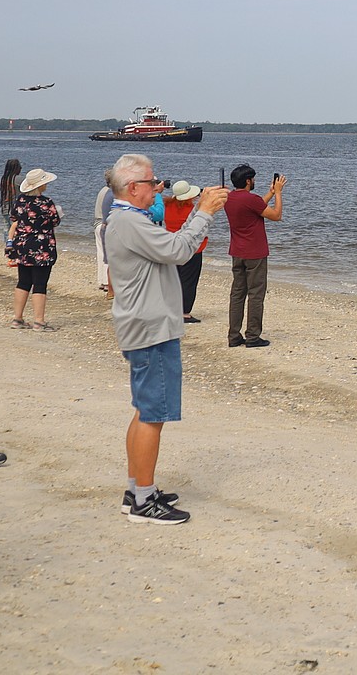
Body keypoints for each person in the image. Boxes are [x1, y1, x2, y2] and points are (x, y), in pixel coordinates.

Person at [105, 153, 226, 524]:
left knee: (145, 410)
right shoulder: (128, 221)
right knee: (153, 414)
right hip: (151, 328)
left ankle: (137, 489)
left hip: (145, 324)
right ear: (133, 187)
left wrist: (197, 213)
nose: (158, 187)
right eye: (151, 182)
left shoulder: (128, 219)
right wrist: (204, 213)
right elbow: (179, 251)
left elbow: (170, 246)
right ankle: (143, 500)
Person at [223, 164, 285, 349]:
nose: (254, 181)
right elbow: (276, 215)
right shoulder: (251, 199)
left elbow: (256, 208)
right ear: (248, 181)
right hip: (255, 253)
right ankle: (252, 336)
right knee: (256, 295)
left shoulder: (229, 198)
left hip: (237, 251)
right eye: (253, 179)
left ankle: (234, 336)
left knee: (237, 294)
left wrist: (270, 194)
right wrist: (278, 193)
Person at [7, 168, 60, 330]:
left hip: (22, 245)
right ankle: (39, 321)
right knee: (40, 283)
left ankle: (17, 318)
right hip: (42, 247)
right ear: (40, 185)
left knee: (23, 281)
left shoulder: (20, 200)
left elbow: (14, 218)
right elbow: (55, 221)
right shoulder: (46, 202)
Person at [162, 180, 208, 324]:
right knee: (189, 280)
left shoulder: (168, 206)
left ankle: (173, 308)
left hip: (172, 244)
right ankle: (184, 312)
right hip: (192, 249)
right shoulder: (191, 209)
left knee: (175, 278)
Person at [93, 169, 115, 294]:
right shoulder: (109, 192)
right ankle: (107, 282)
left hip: (98, 223)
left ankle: (102, 280)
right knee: (107, 254)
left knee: (101, 252)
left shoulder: (103, 190)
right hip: (103, 223)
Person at [0, 158, 22, 255]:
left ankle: (8, 249)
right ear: (16, 168)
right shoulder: (19, 179)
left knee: (7, 228)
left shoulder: (3, 180)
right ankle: (16, 250)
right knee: (16, 229)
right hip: (15, 209)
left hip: (5, 207)